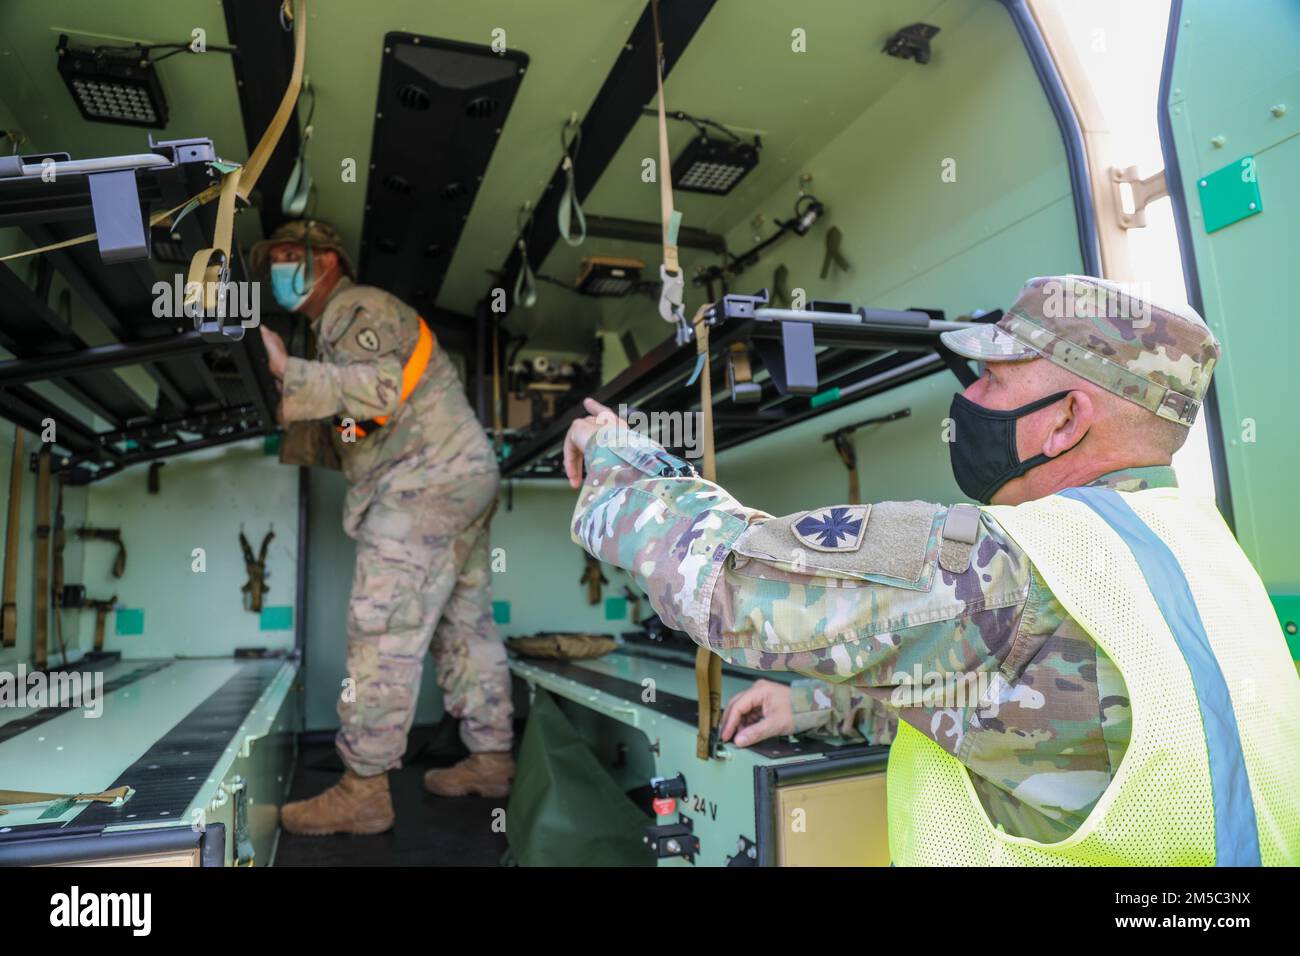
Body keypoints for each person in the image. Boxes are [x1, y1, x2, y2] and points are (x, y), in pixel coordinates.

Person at [563, 274, 1300, 865]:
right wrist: (820, 708)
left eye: (990, 379)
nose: (967, 399)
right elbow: (1040, 721)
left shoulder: (1004, 566)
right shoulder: (1208, 556)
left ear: (1068, 419)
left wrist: (613, 451)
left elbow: (724, 577)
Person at [251, 219, 514, 836]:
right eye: (277, 258)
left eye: (294, 255)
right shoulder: (339, 327)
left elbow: (379, 391)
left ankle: (363, 790)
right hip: (462, 477)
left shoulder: (352, 307)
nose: (282, 267)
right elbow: (358, 424)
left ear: (329, 261)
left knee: (380, 625)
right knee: (464, 624)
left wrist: (291, 375)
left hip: (426, 482)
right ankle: (492, 759)